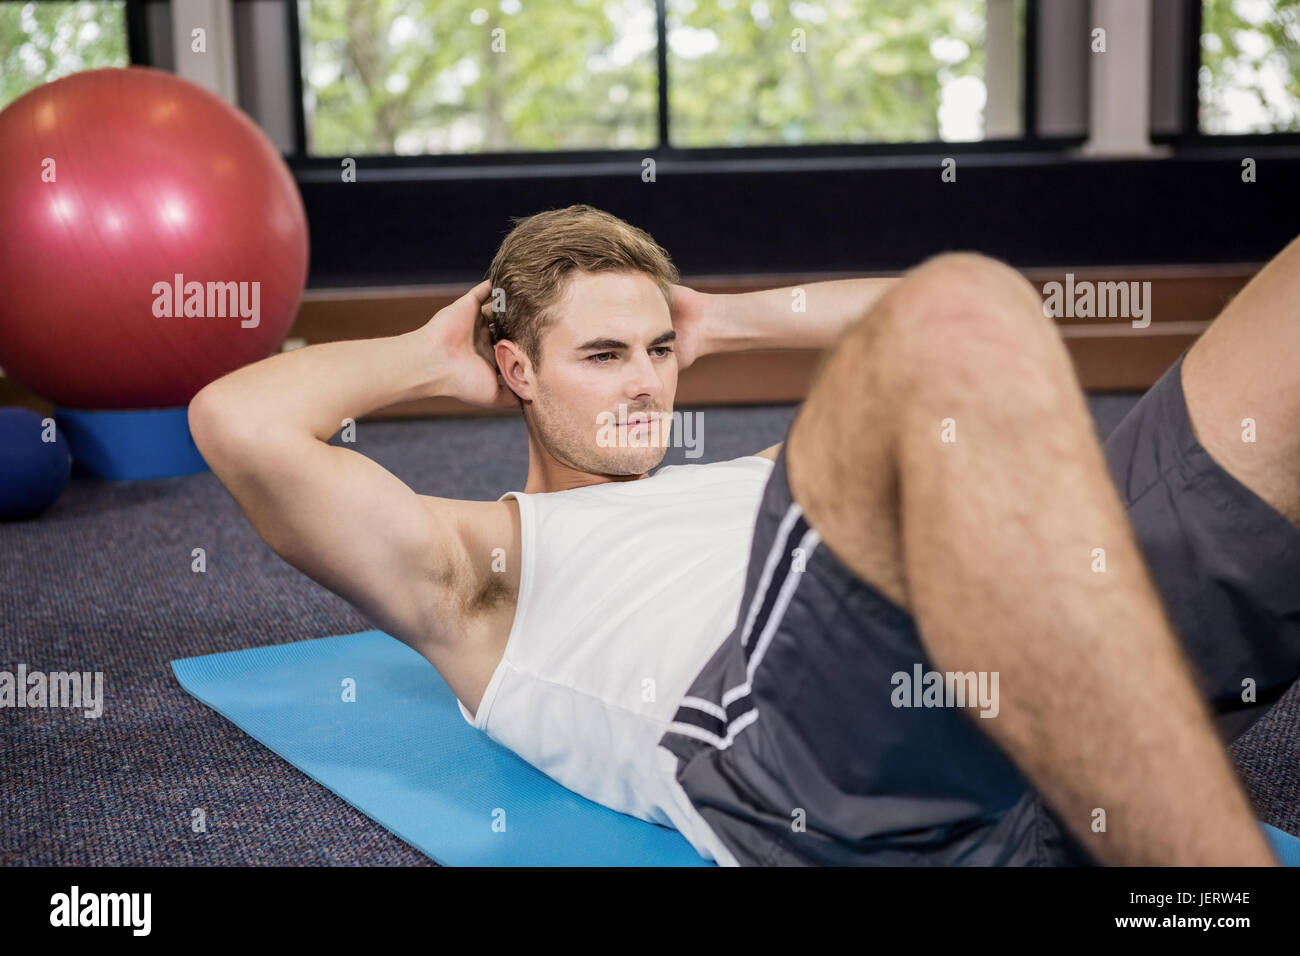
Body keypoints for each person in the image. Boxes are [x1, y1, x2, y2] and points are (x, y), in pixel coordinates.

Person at [189, 204, 1300, 866]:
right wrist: (438, 358)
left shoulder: (756, 475)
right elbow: (237, 422)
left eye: (658, 350)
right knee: (964, 312)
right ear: (519, 370)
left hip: (1029, 703)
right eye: (602, 354)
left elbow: (984, 323)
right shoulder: (482, 563)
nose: (645, 383)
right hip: (791, 761)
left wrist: (719, 317)